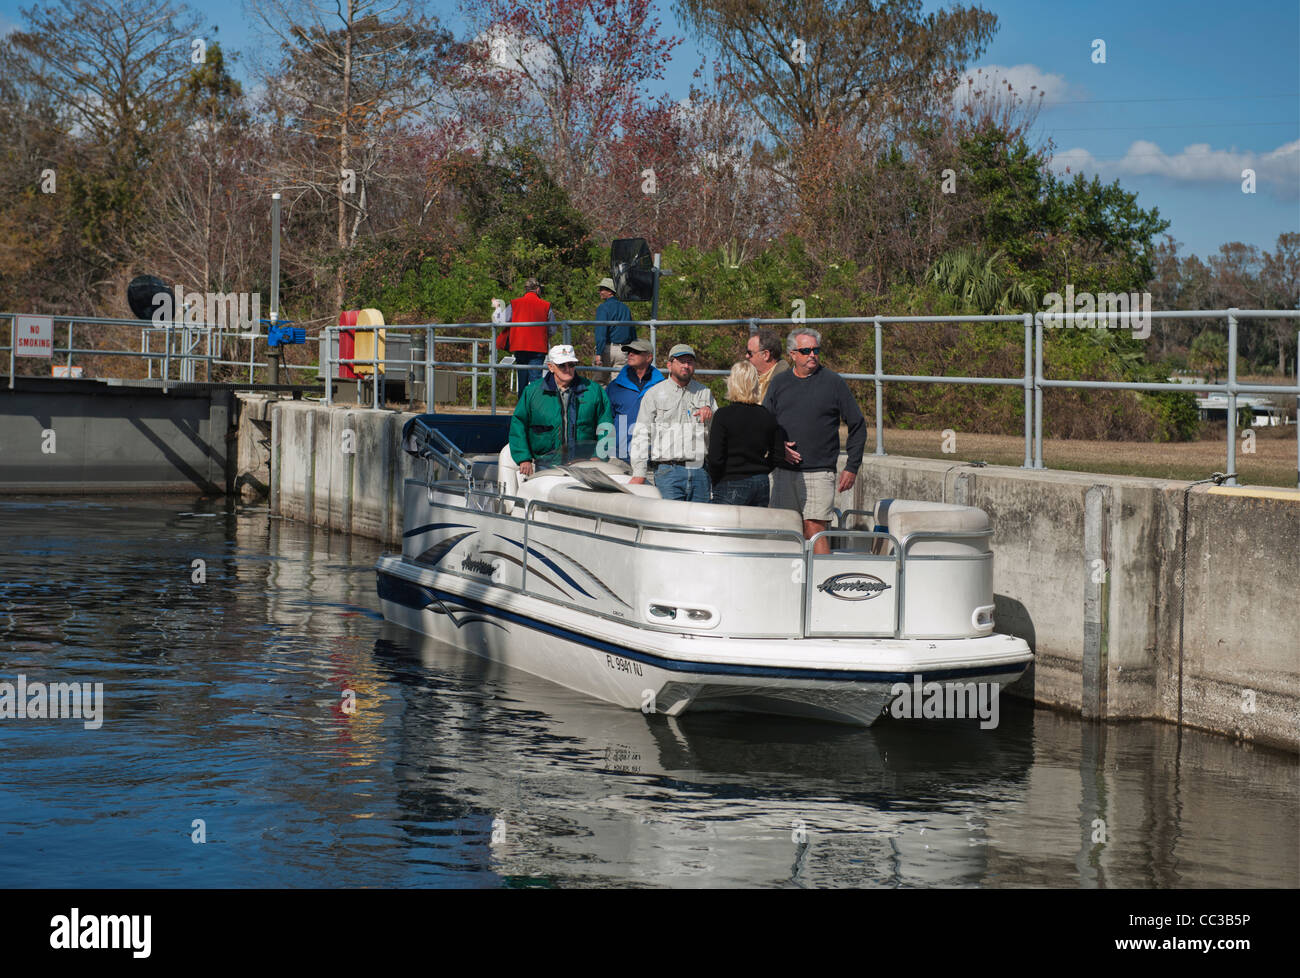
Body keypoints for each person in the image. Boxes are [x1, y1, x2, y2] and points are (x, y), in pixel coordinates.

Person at [763, 328, 867, 554]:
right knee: (785, 532)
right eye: (806, 350)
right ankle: (788, 585)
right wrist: (778, 447)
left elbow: (857, 424)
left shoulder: (833, 382)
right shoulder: (779, 383)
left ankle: (825, 584)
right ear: (792, 354)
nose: (812, 355)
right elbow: (764, 424)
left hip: (819, 472)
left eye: (816, 350)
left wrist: (852, 466)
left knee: (814, 529)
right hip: (783, 472)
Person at [629, 343, 717, 501]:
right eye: (681, 361)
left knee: (699, 523)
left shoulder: (705, 393)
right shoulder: (654, 394)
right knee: (669, 522)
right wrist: (639, 473)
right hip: (668, 472)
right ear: (669, 365)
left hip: (700, 471)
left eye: (690, 362)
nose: (686, 365)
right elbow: (641, 435)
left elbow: (716, 432)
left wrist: (710, 416)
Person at [509, 345, 612, 477]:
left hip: (585, 464)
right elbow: (518, 425)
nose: (568, 369)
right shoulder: (532, 392)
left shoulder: (594, 390)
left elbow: (606, 425)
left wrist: (600, 456)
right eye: (562, 365)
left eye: (572, 364)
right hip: (544, 464)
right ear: (550, 367)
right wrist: (523, 458)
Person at [706, 361, 786, 506]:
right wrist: (762, 469)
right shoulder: (767, 415)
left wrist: (718, 479)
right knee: (755, 527)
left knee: (726, 527)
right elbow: (779, 455)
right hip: (761, 482)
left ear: (732, 383)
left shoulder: (723, 415)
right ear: (755, 384)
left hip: (730, 481)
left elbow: (715, 458)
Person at [605, 338, 664, 461]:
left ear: (649, 358)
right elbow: (606, 420)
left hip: (653, 457)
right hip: (619, 456)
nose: (630, 354)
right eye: (629, 351)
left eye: (636, 352)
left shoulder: (663, 387)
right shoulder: (614, 386)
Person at [496, 277, 556, 387]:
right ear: (537, 289)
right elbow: (552, 329)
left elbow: (502, 320)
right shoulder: (546, 305)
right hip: (538, 347)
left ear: (526, 289)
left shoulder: (515, 303)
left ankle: (522, 402)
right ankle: (535, 403)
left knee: (521, 380)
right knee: (536, 381)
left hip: (519, 346)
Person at [593, 278, 635, 377]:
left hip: (606, 349)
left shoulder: (603, 308)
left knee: (600, 382)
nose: (600, 292)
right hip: (622, 351)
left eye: (602, 289)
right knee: (618, 384)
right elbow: (631, 330)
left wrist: (599, 353)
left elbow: (601, 332)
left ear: (610, 292)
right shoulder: (625, 308)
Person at [748, 328, 789, 404]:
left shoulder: (785, 384)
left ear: (766, 355)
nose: (746, 356)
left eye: (750, 353)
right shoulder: (747, 378)